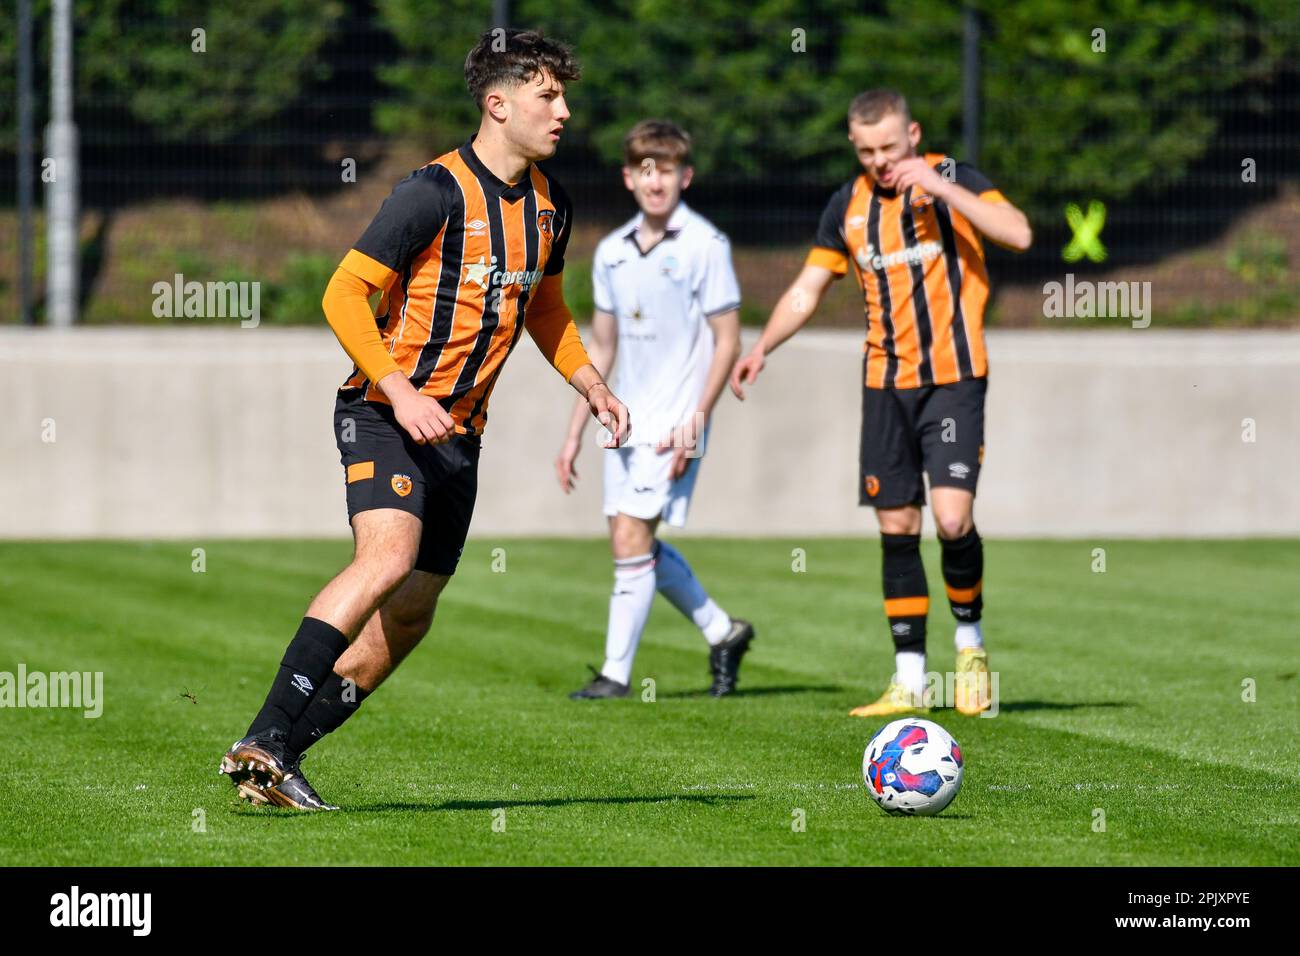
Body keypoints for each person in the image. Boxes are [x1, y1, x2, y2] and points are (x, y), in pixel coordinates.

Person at [218, 29, 630, 810]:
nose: (564, 111)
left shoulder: (552, 205)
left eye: (564, 95)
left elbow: (544, 307)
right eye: (549, 95)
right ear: (497, 103)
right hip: (383, 414)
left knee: (408, 618)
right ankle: (261, 734)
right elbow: (344, 292)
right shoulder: (430, 193)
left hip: (460, 437)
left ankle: (276, 759)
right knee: (387, 560)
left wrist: (589, 382)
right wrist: (401, 389)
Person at [730, 88, 1032, 718]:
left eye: (891, 148)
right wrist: (763, 347)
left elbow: (1018, 234)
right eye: (867, 150)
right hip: (883, 385)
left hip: (953, 378)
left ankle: (971, 648)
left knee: (951, 520)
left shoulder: (953, 176)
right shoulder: (847, 205)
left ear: (914, 134)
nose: (880, 161)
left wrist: (941, 187)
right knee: (897, 526)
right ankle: (910, 679)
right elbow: (808, 289)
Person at [555, 120, 754, 700]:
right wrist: (573, 433)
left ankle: (617, 675)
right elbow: (602, 349)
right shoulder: (612, 253)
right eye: (645, 170)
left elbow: (727, 341)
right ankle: (724, 630)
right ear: (628, 178)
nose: (656, 181)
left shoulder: (706, 246)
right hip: (624, 419)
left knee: (629, 539)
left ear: (684, 176)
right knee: (628, 536)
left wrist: (697, 418)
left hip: (677, 421)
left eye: (666, 170)